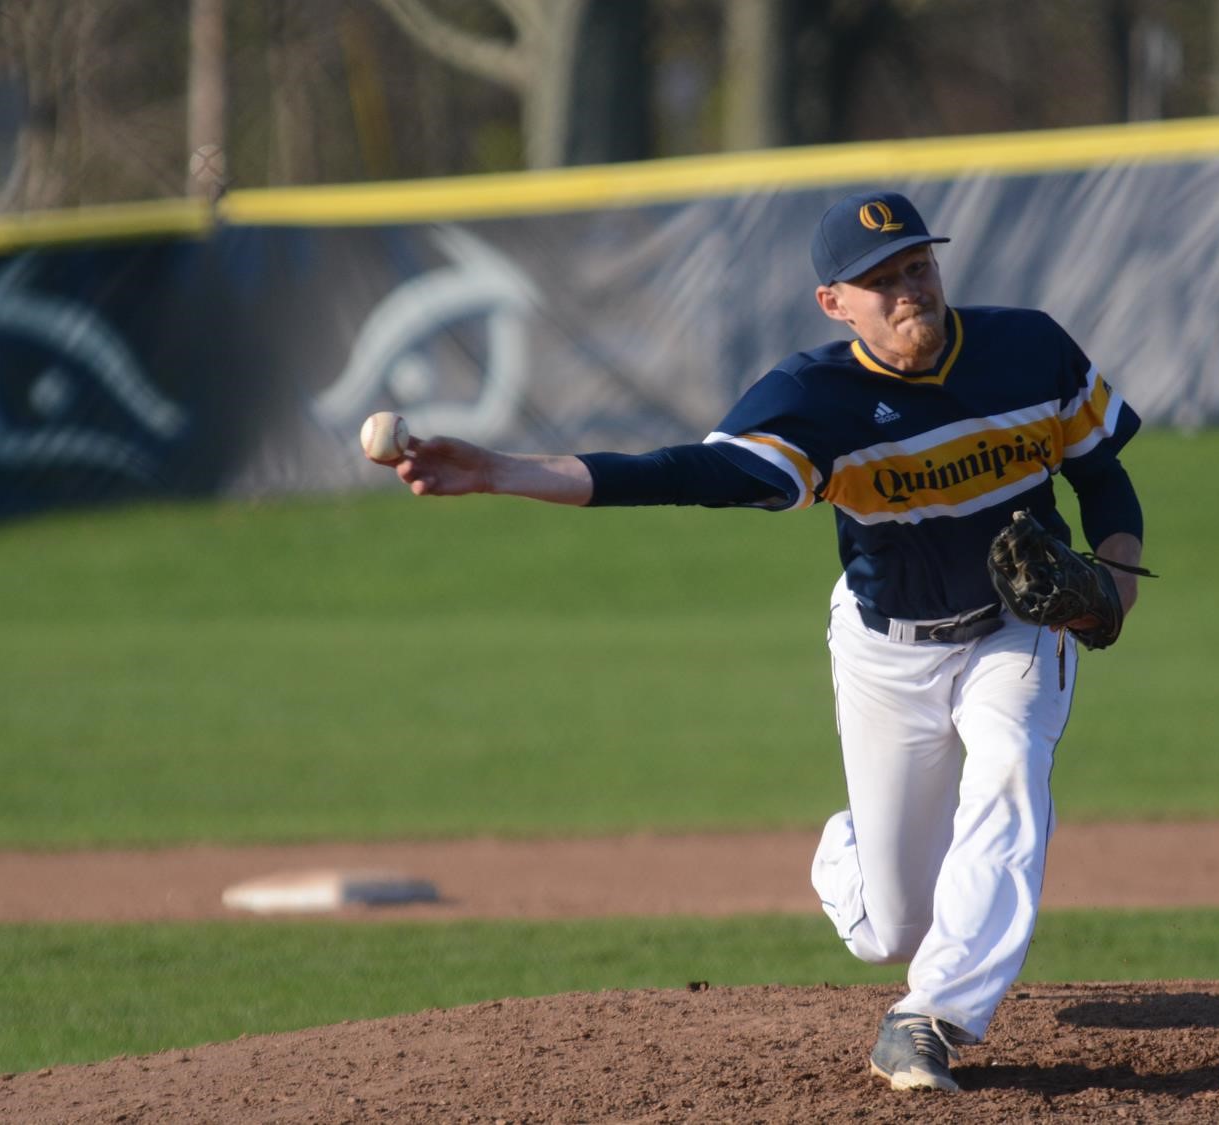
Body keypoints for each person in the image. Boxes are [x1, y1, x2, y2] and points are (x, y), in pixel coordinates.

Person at [387, 190, 1148, 1093]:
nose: (907, 289)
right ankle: (852, 851)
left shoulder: (1030, 349)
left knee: (1010, 769)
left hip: (1015, 629)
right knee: (890, 928)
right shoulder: (813, 399)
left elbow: (1104, 475)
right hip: (885, 647)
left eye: (916, 265)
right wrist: (502, 471)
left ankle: (930, 1015)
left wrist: (1116, 582)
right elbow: (684, 472)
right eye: (879, 280)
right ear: (836, 303)